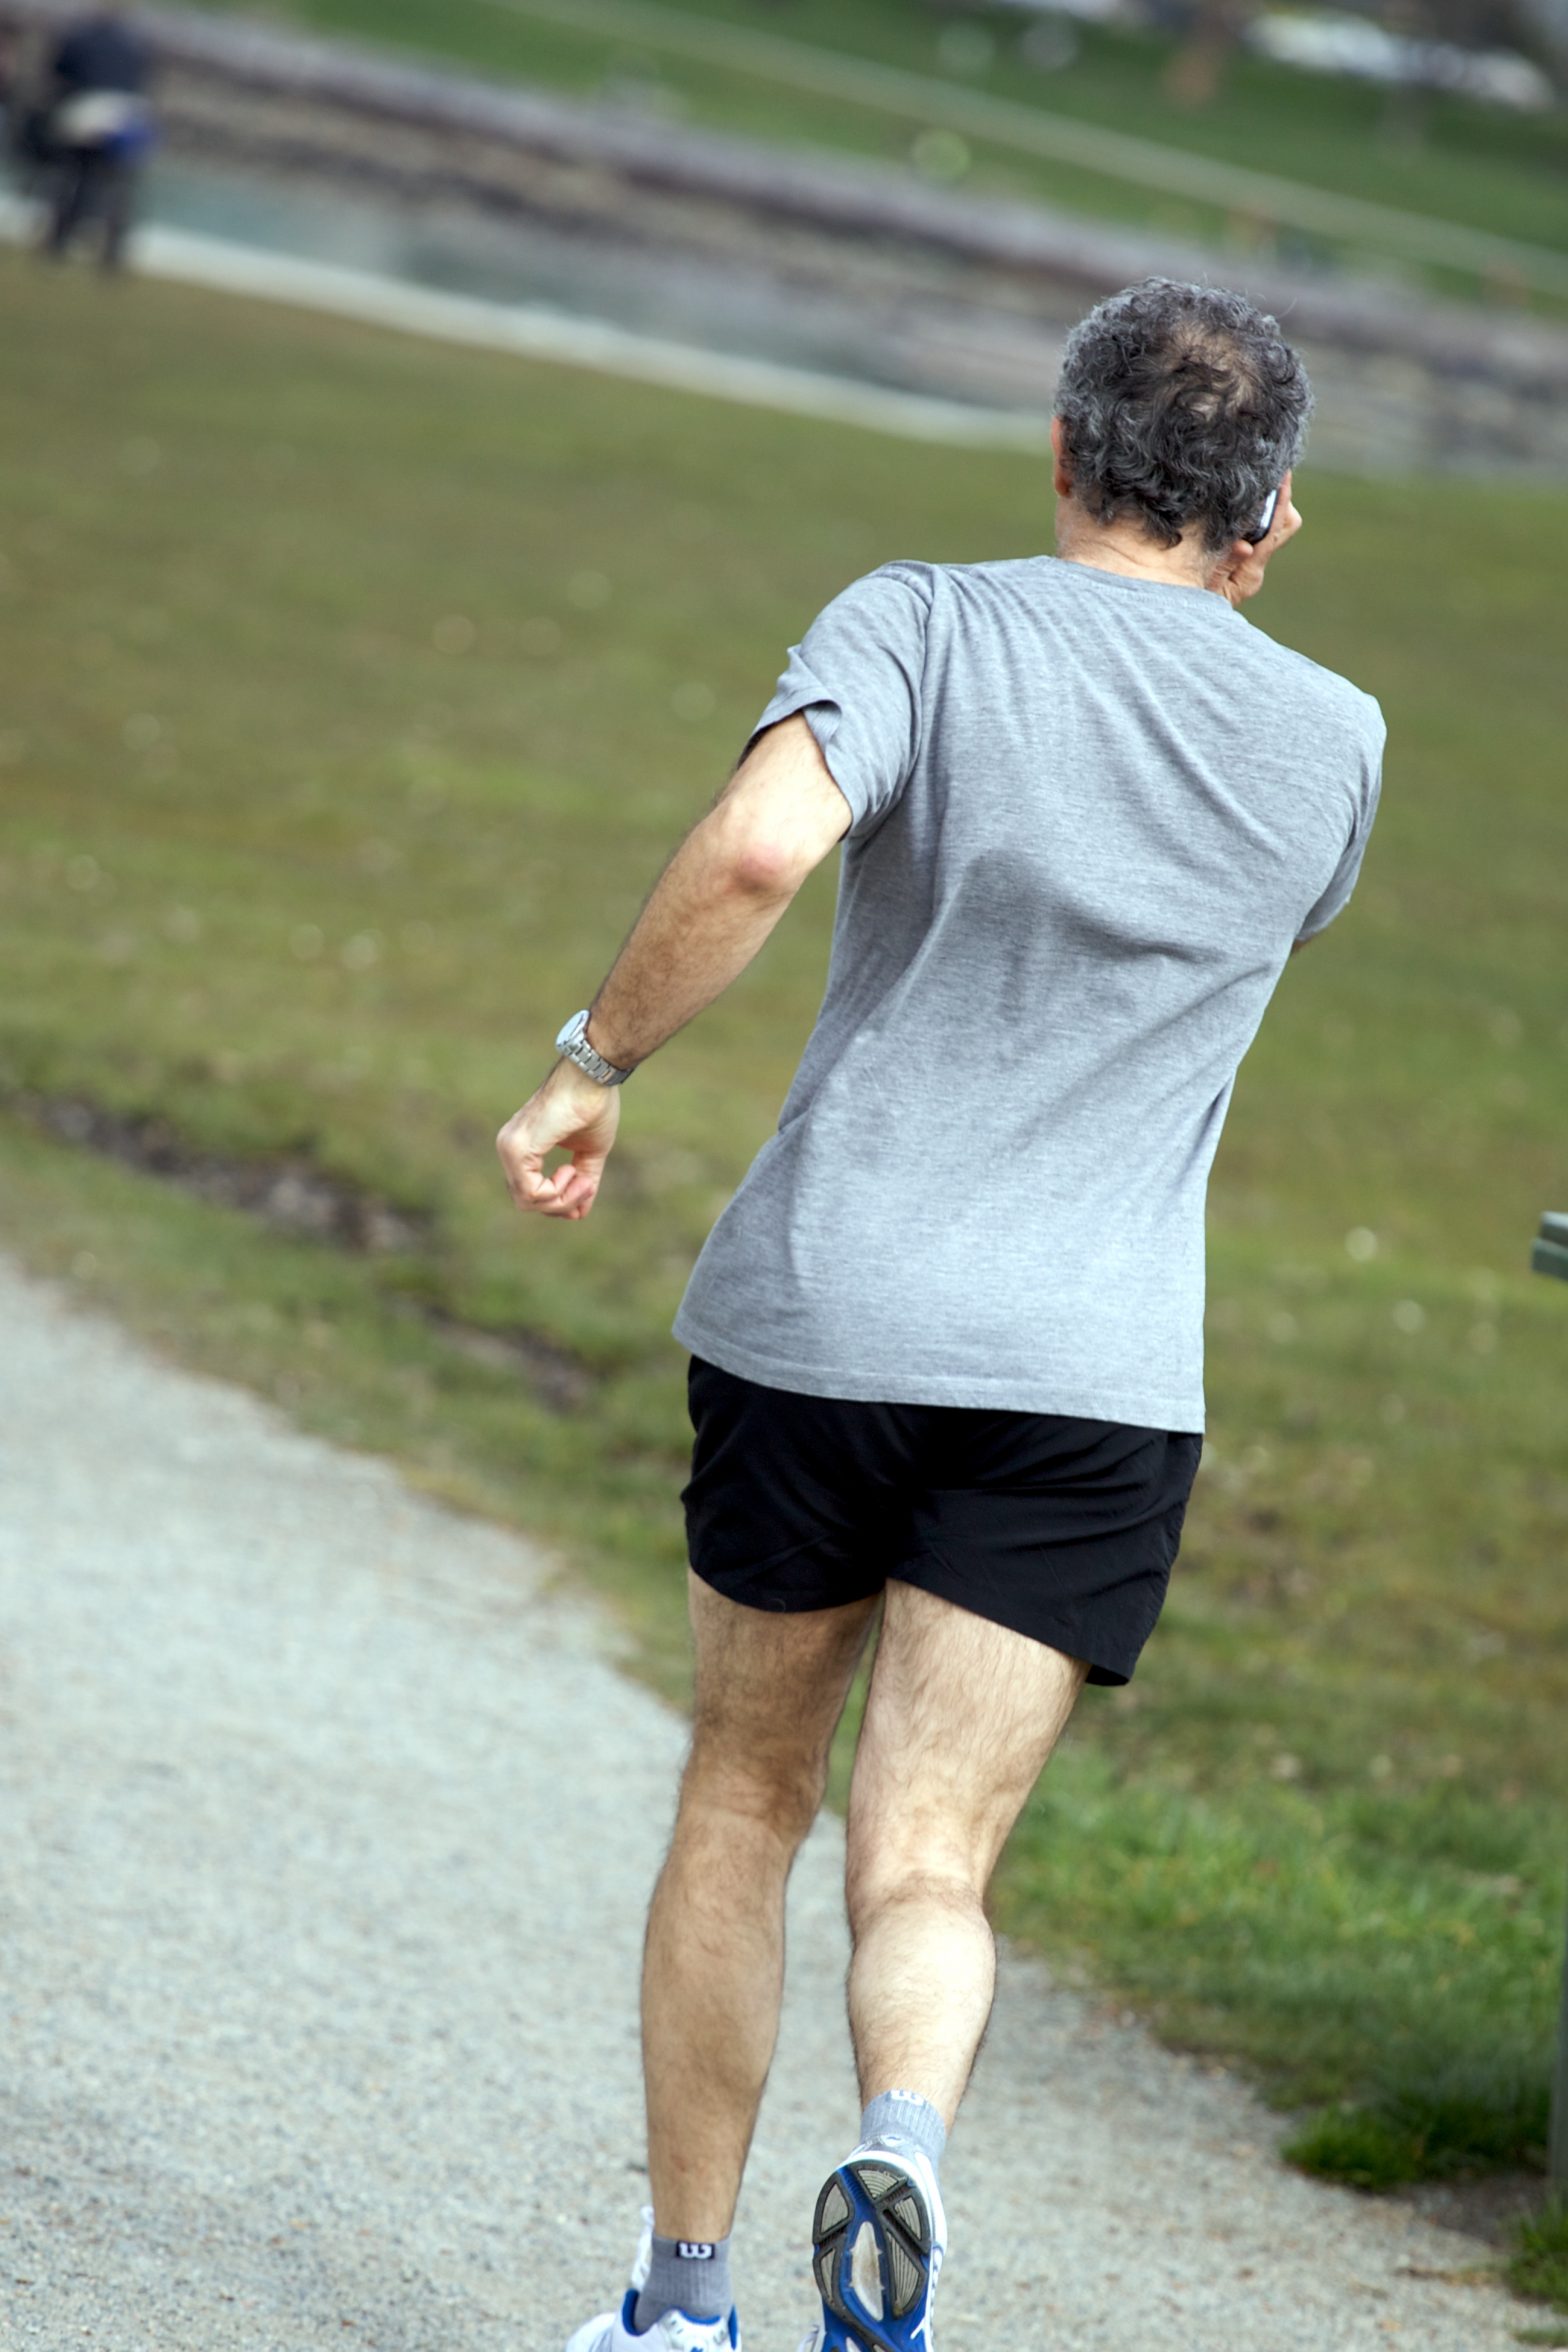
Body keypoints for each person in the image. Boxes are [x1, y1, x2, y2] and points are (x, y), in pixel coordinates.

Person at [496, 276, 1385, 2352]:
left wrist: (590, 1065)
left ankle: (682, 2307)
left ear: (1060, 454)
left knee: (746, 1799)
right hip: (1090, 1375)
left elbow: (755, 851)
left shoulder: (919, 622)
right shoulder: (1336, 736)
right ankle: (899, 2147)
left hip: (823, 1318)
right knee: (930, 1865)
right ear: (1266, 513)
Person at [39, 0, 154, 272]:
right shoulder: (135, 44)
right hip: (128, 117)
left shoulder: (81, 37)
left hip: (87, 112)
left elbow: (59, 71)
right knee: (118, 188)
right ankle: (113, 251)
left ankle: (60, 241)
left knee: (73, 177)